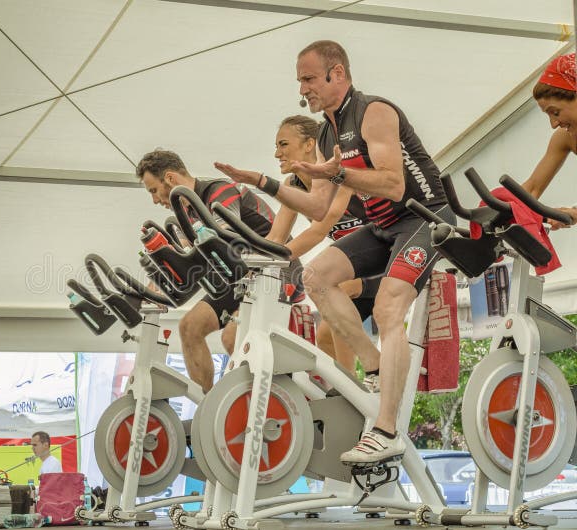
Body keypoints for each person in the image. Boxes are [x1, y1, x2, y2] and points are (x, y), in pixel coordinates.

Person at [222, 40, 453, 465]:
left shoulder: (374, 111)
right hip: (382, 226)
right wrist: (261, 181)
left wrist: (338, 171)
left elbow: (393, 184)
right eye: (300, 81)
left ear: (338, 73)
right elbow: (318, 208)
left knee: (387, 309)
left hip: (425, 217)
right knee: (315, 277)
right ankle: (376, 367)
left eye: (309, 79)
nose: (303, 89)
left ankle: (386, 431)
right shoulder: (328, 131)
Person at [215, 114, 381, 375]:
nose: (276, 153)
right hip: (352, 267)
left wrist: (272, 260)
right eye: (276, 146)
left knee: (337, 288)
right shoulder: (293, 184)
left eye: (283, 144)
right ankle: (341, 388)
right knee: (324, 336)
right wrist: (250, 264)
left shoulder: (338, 174)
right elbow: (275, 238)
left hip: (382, 260)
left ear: (309, 144)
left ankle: (351, 385)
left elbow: (318, 230)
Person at [137, 149, 304, 393]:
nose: (154, 200)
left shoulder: (219, 191)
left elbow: (225, 238)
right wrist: (154, 287)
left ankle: (262, 400)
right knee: (189, 327)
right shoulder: (184, 213)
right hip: (241, 275)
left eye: (153, 190)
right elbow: (187, 260)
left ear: (170, 178)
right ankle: (208, 403)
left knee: (233, 336)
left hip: (277, 269)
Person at [521, 52, 577, 228]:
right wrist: (493, 209)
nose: (553, 124)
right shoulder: (565, 137)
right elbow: (531, 189)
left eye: (555, 112)